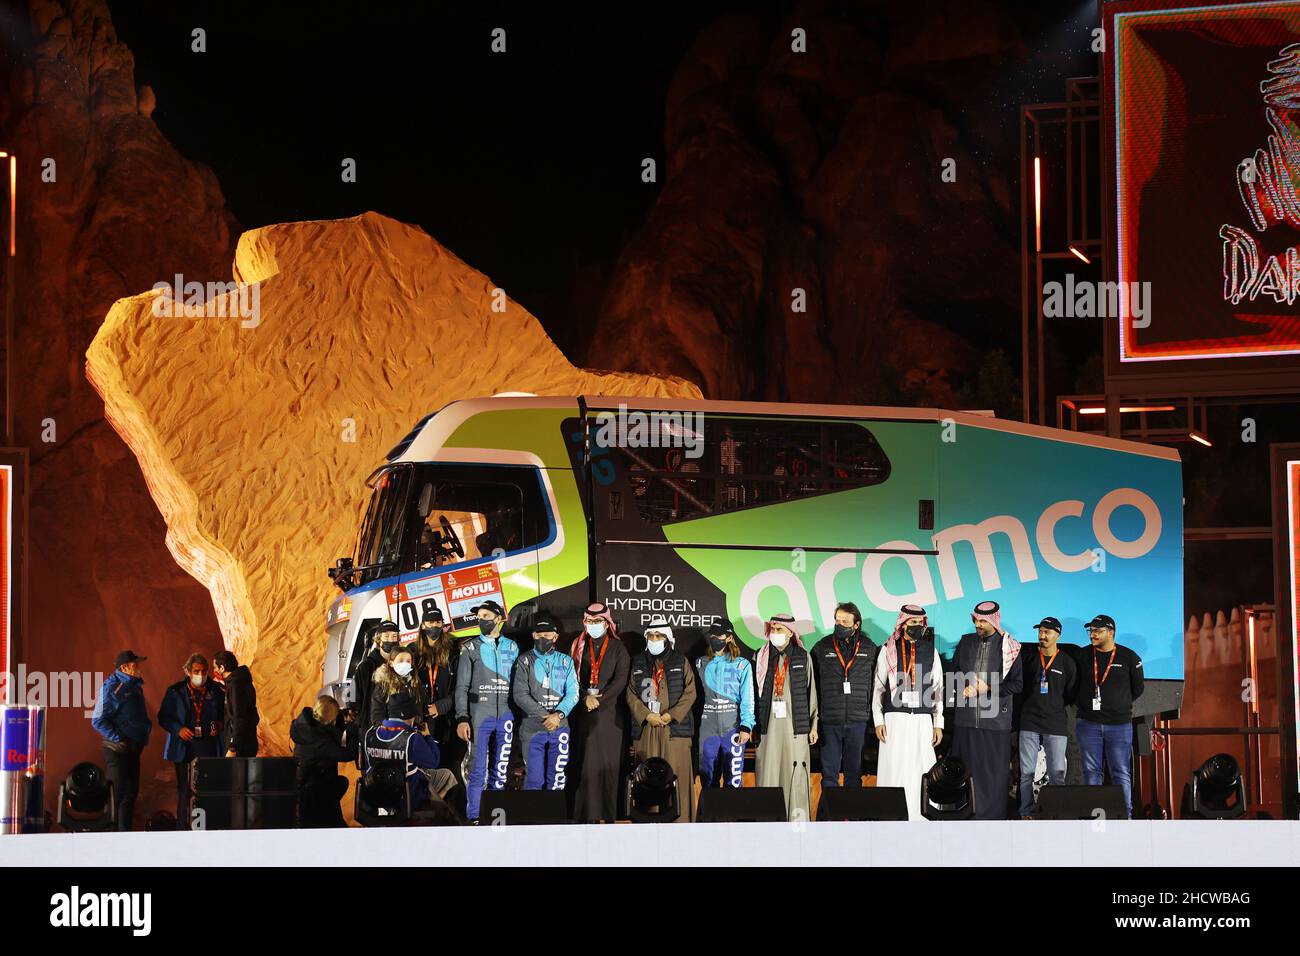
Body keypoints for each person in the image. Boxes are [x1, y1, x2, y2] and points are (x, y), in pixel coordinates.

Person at [950, 600, 1023, 819]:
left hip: (995, 724)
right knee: (964, 772)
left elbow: (1017, 685)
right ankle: (963, 816)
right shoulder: (966, 642)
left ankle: (991, 820)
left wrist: (988, 687)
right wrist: (962, 685)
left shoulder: (1010, 647)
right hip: (966, 721)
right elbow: (954, 672)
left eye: (983, 621)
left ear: (994, 621)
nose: (978, 625)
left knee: (992, 776)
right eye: (976, 620)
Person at [872, 605, 944, 821]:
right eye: (912, 623)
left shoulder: (931, 651)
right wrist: (878, 720)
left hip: (922, 720)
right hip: (894, 720)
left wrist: (938, 723)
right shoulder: (888, 650)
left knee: (922, 770)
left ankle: (922, 819)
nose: (917, 627)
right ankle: (892, 818)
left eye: (920, 623)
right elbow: (878, 688)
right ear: (902, 624)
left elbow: (938, 689)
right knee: (894, 771)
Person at [1070, 613, 1144, 817]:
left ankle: (1125, 814)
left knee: (1120, 771)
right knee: (1091, 771)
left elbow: (1138, 689)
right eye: (1090, 631)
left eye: (1097, 631)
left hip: (1119, 725)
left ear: (1111, 633)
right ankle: (1094, 814)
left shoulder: (1130, 657)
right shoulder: (1082, 655)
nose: (1092, 635)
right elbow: (1073, 686)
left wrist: (1118, 706)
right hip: (1088, 723)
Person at [625, 615, 698, 822]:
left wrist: (670, 715)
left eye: (658, 635)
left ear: (667, 638)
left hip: (674, 730)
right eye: (651, 635)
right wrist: (647, 715)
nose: (654, 639)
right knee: (647, 778)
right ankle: (648, 822)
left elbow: (690, 692)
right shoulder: (638, 661)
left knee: (676, 777)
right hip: (647, 729)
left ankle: (681, 825)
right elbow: (630, 693)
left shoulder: (680, 660)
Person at [454, 599, 518, 822]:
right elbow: (461, 687)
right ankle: (474, 818)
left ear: (498, 619)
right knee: (478, 769)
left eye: (486, 617)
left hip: (507, 715)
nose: (481, 621)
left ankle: (495, 817)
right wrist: (462, 718)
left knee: (500, 769)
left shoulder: (513, 646)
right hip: (479, 715)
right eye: (479, 617)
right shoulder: (469, 648)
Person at [568, 601, 630, 822]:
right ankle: (585, 816)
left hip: (610, 716)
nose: (594, 625)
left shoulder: (618, 648)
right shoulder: (578, 646)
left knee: (608, 769)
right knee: (585, 766)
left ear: (607, 622)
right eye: (590, 621)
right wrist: (586, 697)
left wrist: (599, 700)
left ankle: (609, 816)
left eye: (598, 621)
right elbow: (570, 678)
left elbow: (621, 679)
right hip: (583, 714)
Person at [754, 613, 819, 820]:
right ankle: (767, 826)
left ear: (791, 632)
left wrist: (814, 725)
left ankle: (797, 826)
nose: (774, 634)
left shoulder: (802, 656)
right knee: (768, 777)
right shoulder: (760, 657)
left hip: (796, 730)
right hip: (768, 730)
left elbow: (812, 694)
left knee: (796, 780)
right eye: (772, 630)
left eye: (779, 630)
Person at [811, 602, 877, 789]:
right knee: (829, 776)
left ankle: (852, 817)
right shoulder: (821, 647)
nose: (839, 624)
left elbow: (876, 683)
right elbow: (812, 683)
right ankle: (830, 817)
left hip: (858, 720)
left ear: (856, 625)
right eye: (837, 620)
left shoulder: (869, 648)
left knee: (854, 775)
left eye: (845, 621)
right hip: (830, 720)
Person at [1017, 616, 1077, 818]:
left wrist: (1052, 704)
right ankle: (1026, 812)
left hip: (1056, 723)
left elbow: (1070, 693)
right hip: (1030, 721)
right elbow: (1022, 687)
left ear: (1057, 635)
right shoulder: (1030, 659)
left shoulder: (1067, 663)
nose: (1042, 636)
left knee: (1057, 774)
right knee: (1026, 773)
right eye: (1040, 632)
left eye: (1046, 632)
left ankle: (1057, 813)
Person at [157, 653, 225, 828]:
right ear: (188, 671)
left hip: (208, 746)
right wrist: (178, 729)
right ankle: (183, 828)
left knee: (207, 790)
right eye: (196, 671)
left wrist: (219, 724)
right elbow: (163, 717)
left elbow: (225, 716)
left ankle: (204, 827)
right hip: (184, 748)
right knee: (185, 791)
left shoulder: (216, 690)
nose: (201, 675)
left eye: (204, 671)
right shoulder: (175, 691)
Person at [512, 614, 579, 791]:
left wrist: (558, 715)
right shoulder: (524, 660)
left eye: (547, 635)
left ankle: (555, 818)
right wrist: (545, 715)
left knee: (557, 780)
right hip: (533, 726)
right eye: (539, 634)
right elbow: (519, 695)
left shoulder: (566, 661)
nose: (543, 638)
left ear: (555, 637)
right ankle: (531, 819)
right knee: (534, 780)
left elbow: (573, 693)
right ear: (533, 636)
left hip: (560, 725)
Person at [366, 691, 458, 814]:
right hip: (408, 798)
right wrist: (427, 737)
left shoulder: (370, 734)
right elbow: (434, 761)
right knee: (447, 775)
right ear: (409, 717)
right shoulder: (411, 739)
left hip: (379, 796)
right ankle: (431, 814)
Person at [91, 650, 153, 831]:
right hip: (118, 751)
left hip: (133, 751)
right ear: (124, 667)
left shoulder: (134, 686)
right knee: (117, 796)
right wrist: (120, 738)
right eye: (136, 664)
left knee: (130, 795)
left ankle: (124, 837)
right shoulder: (112, 687)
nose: (139, 667)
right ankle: (109, 840)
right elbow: (97, 720)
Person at [696, 618, 755, 791]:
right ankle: (709, 817)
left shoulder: (742, 664)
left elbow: (748, 697)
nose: (714, 638)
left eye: (719, 635)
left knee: (733, 780)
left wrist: (746, 726)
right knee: (708, 779)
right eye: (712, 635)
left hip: (733, 727)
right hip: (707, 728)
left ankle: (733, 816)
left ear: (729, 637)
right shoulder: (700, 662)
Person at [290, 694, 357, 827]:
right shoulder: (319, 739)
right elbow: (347, 754)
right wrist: (353, 733)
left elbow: (328, 733)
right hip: (316, 795)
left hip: (306, 789)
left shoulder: (306, 726)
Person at [415, 609, 458, 763]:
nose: (434, 626)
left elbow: (461, 685)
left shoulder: (453, 650)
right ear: (422, 625)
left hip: (447, 719)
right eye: (430, 622)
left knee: (446, 762)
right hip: (421, 720)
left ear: (442, 624)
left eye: (437, 622)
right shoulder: (413, 652)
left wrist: (442, 706)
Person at [353, 622, 399, 762]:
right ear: (378, 639)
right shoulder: (365, 667)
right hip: (372, 732)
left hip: (397, 732)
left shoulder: (402, 664)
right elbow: (354, 699)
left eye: (394, 636)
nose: (390, 640)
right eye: (386, 636)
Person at [212, 650, 259, 758]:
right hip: (246, 742)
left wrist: (233, 746)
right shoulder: (240, 680)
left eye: (215, 667)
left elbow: (239, 716)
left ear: (222, 668)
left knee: (237, 774)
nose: (214, 671)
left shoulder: (236, 685)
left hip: (240, 747)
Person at [369, 644, 427, 728]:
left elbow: (423, 707)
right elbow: (377, 713)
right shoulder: (384, 684)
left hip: (414, 733)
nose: (405, 663)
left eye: (408, 661)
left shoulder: (416, 682)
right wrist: (387, 726)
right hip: (393, 734)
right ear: (392, 663)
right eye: (401, 660)